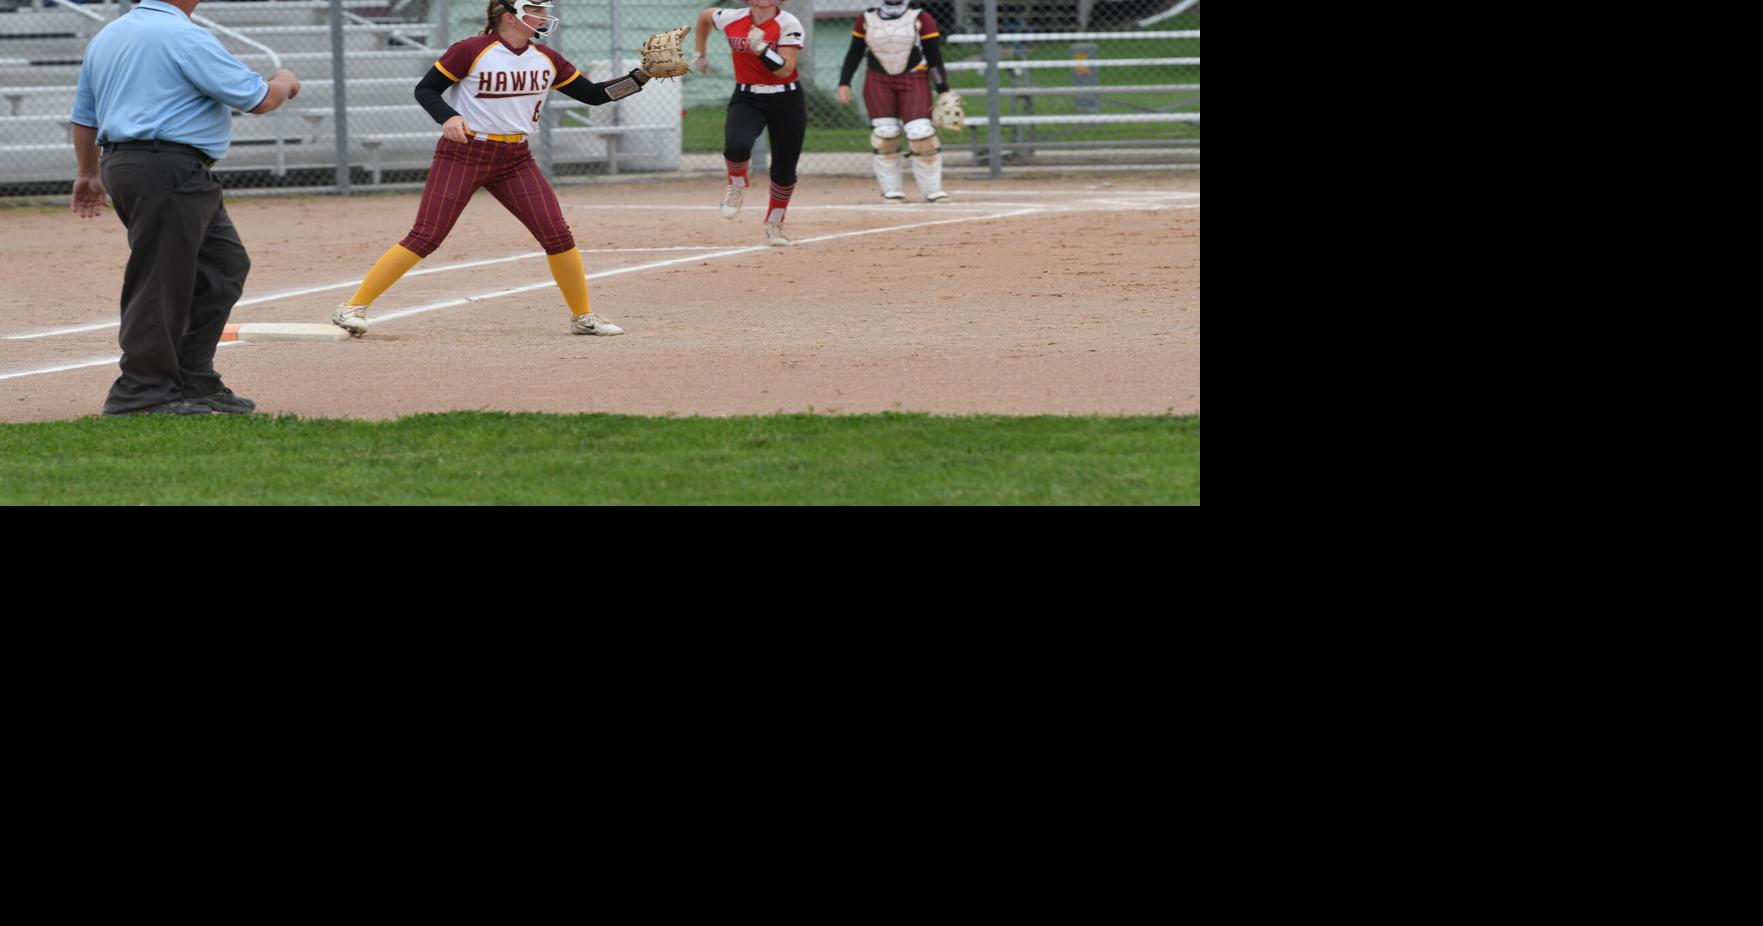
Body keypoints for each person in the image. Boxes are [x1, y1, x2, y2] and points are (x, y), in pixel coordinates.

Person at [333, 0, 657, 338]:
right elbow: (426, 89)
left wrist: (642, 76)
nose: (545, 16)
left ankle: (582, 316)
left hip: (515, 158)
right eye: (537, 10)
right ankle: (352, 306)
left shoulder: (546, 58)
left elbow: (593, 95)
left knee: (557, 235)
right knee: (427, 235)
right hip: (464, 154)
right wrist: (448, 116)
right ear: (509, 17)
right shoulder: (471, 50)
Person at [69, 0, 301, 416]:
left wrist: (87, 172)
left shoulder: (109, 34)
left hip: (140, 164)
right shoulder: (183, 35)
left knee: (223, 267)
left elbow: (84, 116)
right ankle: (141, 392)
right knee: (162, 279)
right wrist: (284, 81)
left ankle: (192, 380)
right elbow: (259, 99)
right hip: (168, 167)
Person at [691, 0, 806, 246]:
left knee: (784, 170)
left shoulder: (788, 23)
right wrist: (700, 53)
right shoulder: (732, 17)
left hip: (786, 99)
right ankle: (737, 183)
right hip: (748, 96)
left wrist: (763, 50)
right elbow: (704, 17)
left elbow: (785, 70)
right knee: (736, 147)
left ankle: (774, 224)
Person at [837, 0, 951, 203]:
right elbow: (854, 52)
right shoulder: (867, 19)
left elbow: (934, 57)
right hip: (878, 79)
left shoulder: (921, 18)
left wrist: (943, 90)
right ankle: (891, 190)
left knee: (921, 133)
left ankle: (932, 190)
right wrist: (844, 82)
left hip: (914, 76)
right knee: (885, 133)